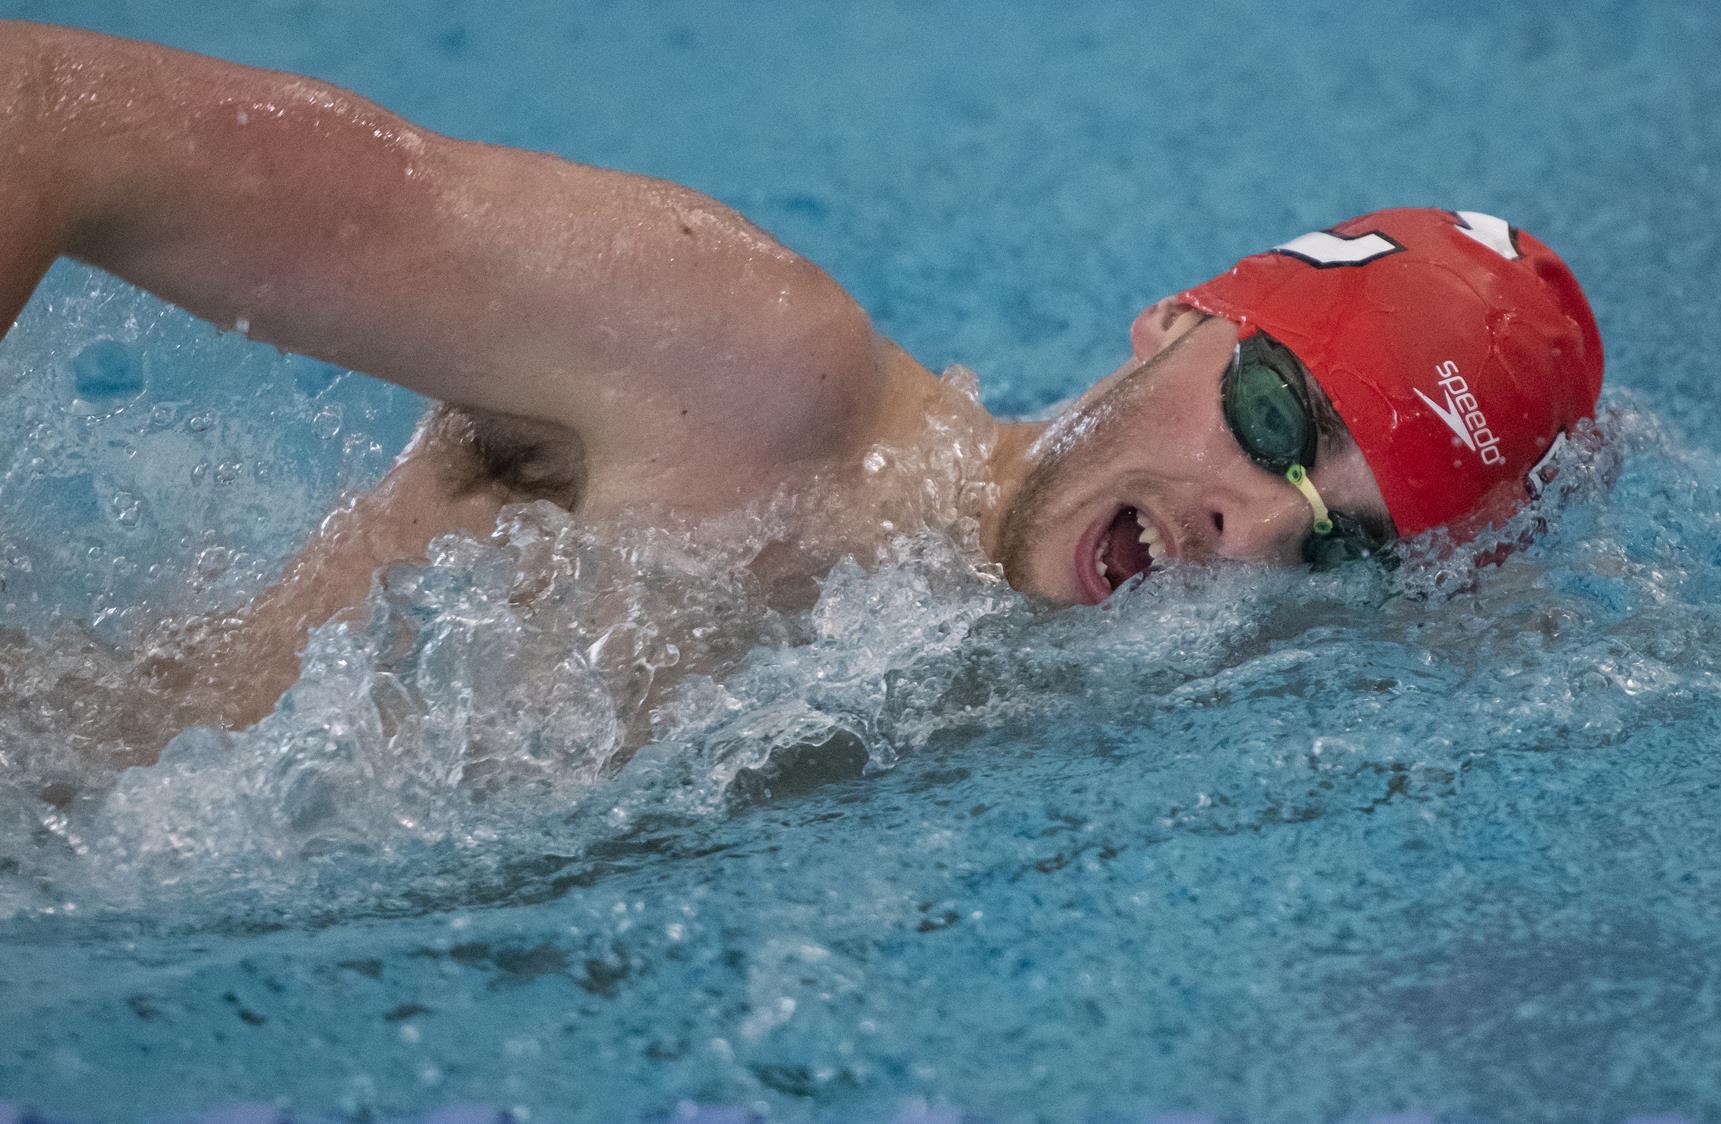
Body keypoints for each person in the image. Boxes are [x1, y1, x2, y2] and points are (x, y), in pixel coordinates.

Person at [0, 22, 1601, 743]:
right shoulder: (747, 368)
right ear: (1173, 320)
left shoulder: (1102, 678)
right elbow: (45, 119)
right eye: (1276, 420)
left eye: (1341, 539)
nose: (1251, 526)